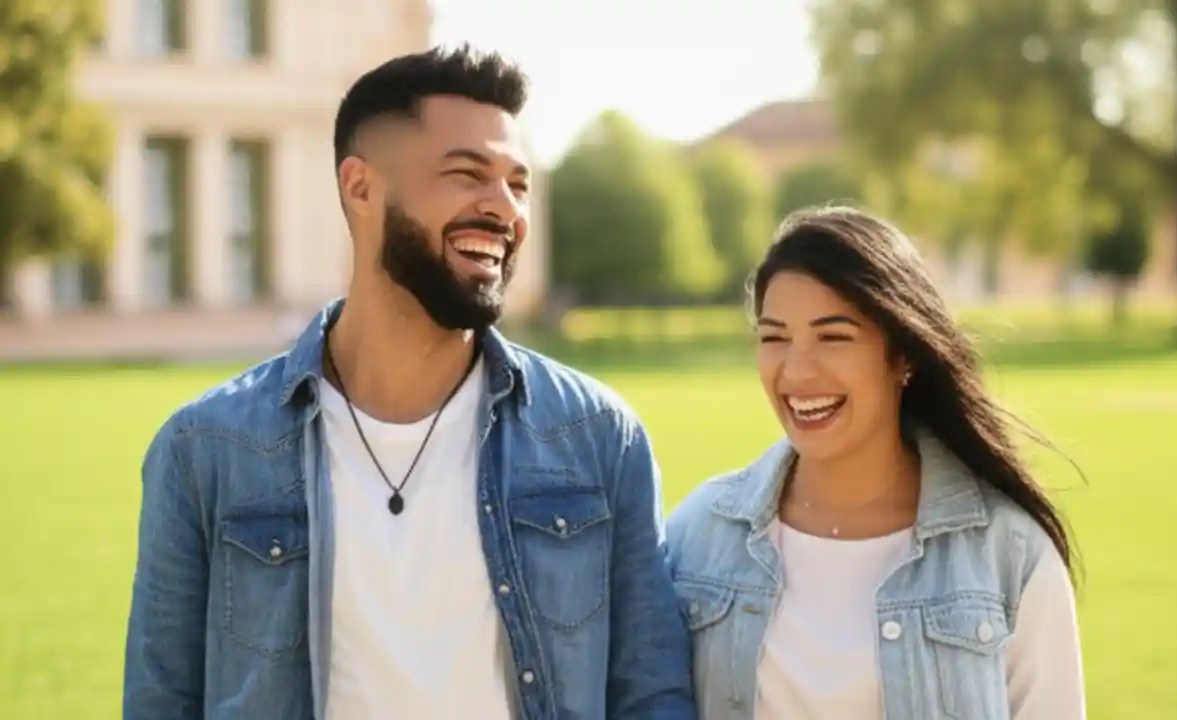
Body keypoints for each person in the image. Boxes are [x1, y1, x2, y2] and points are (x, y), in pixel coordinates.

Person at [123, 45, 694, 720]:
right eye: (467, 174)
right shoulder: (203, 449)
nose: (505, 209)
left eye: (518, 184)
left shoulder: (598, 438)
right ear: (360, 187)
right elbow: (161, 702)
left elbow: (651, 697)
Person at [665, 206, 1085, 719]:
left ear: (902, 355)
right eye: (774, 337)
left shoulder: (1009, 552)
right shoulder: (699, 536)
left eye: (833, 336)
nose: (796, 371)